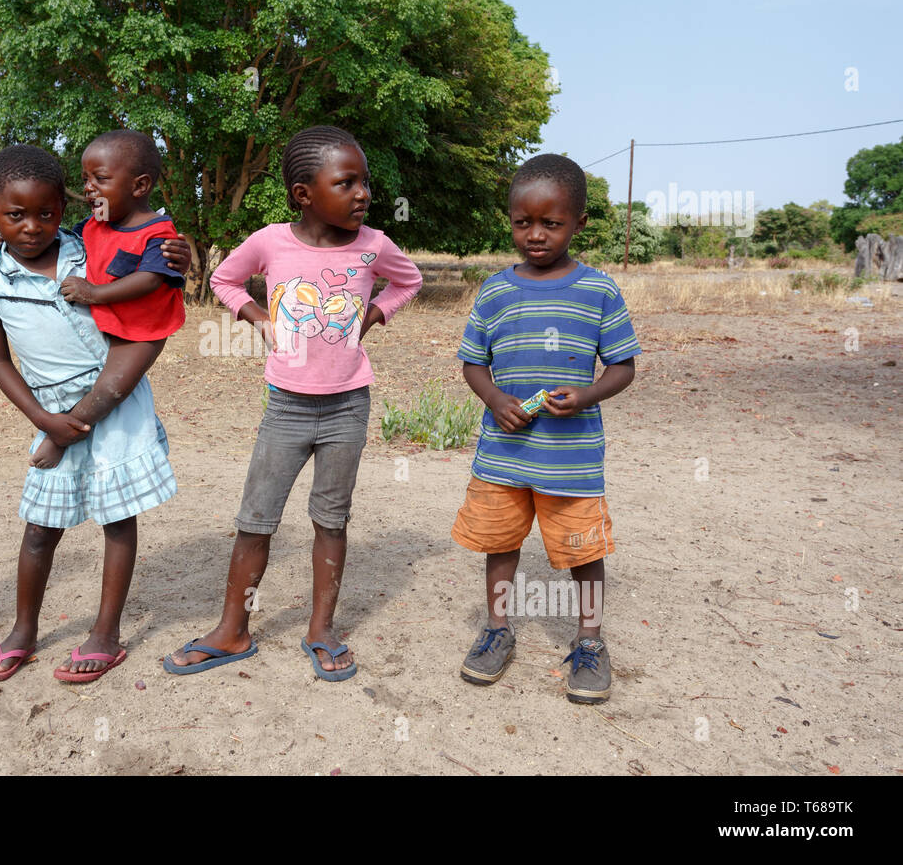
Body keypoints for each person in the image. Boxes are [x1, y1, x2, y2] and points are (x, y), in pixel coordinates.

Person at [165, 125, 422, 682]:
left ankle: (321, 629)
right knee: (256, 520)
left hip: (348, 405)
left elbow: (408, 282)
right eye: (346, 182)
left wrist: (374, 315)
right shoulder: (269, 242)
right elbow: (226, 280)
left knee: (331, 519)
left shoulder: (375, 246)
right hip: (286, 408)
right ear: (304, 194)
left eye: (365, 183)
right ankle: (233, 630)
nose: (363, 194)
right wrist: (256, 317)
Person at [0, 144, 191, 683]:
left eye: (46, 213)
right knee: (40, 529)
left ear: (61, 212)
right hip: (51, 411)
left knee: (117, 519)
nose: (32, 227)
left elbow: (143, 247)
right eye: (15, 215)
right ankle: (24, 630)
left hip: (115, 399)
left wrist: (179, 255)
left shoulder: (84, 248)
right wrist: (43, 421)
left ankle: (106, 635)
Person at [453, 153, 640, 704]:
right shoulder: (494, 292)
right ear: (510, 219)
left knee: (583, 549)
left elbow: (624, 366)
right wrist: (493, 397)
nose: (535, 235)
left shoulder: (599, 291)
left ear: (579, 223)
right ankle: (497, 628)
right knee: (500, 543)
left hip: (571, 460)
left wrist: (587, 395)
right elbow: (472, 361)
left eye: (551, 224)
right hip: (504, 454)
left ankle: (588, 642)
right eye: (522, 222)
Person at [25, 129, 186, 470]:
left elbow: (150, 278)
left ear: (139, 186)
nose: (88, 188)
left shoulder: (158, 231)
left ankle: (59, 438)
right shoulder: (95, 224)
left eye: (100, 179)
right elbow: (56, 242)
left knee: (110, 390)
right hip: (107, 327)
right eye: (85, 179)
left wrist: (93, 293)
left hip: (142, 331)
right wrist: (5, 245)